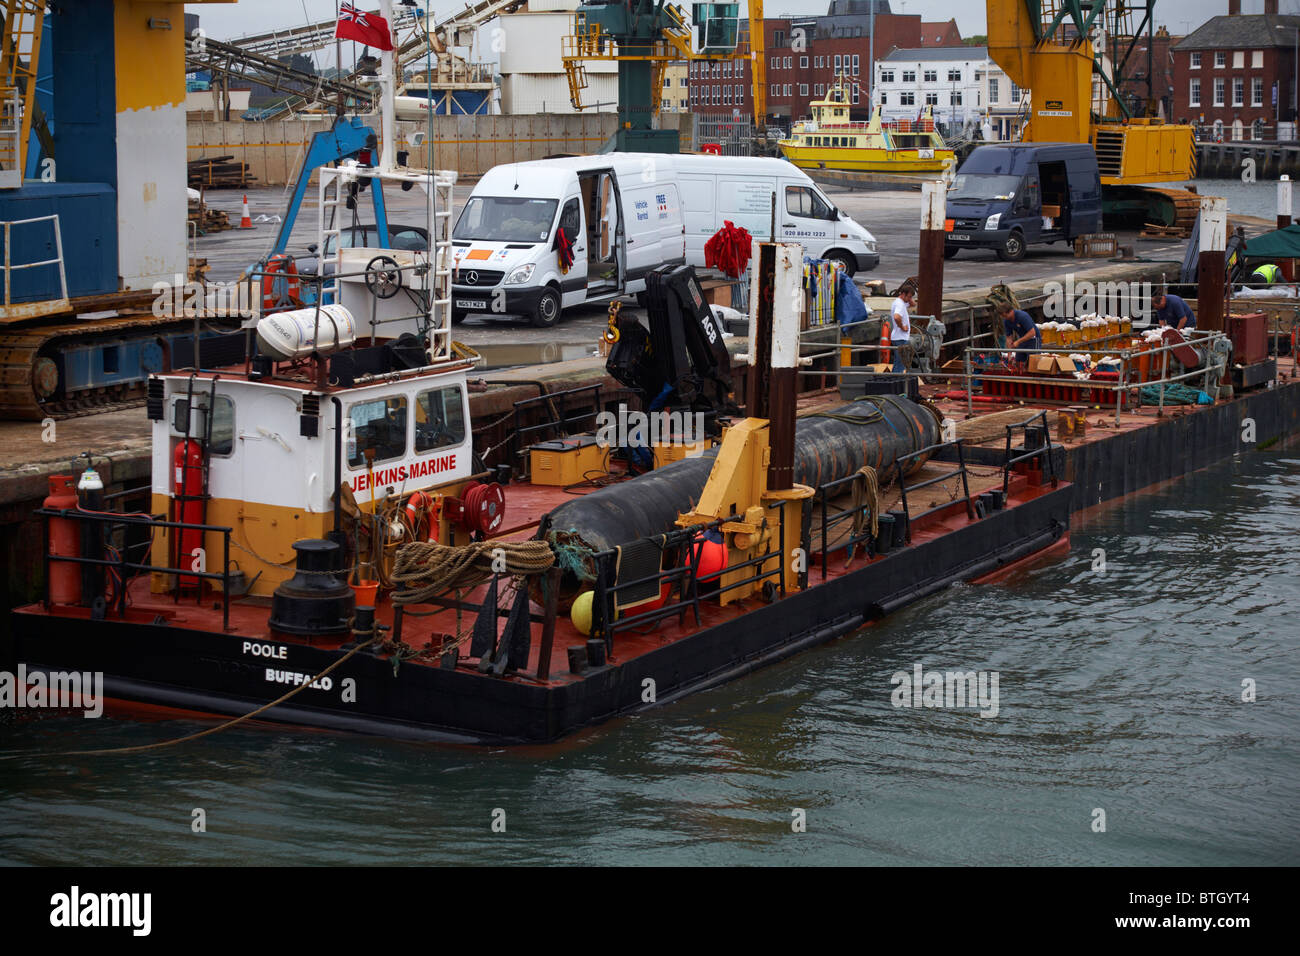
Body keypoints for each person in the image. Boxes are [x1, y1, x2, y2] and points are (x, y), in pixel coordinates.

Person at [997, 301, 1040, 365]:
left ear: (1011, 311)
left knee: (1033, 362)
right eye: (1003, 316)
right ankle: (1021, 373)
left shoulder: (1022, 316)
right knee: (1019, 360)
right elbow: (1009, 337)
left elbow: (1032, 333)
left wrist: (1018, 342)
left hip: (1033, 339)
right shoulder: (1006, 321)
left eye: (1005, 316)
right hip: (1022, 339)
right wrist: (1009, 354)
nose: (1004, 318)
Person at [890, 285, 915, 374]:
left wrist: (909, 298)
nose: (910, 299)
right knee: (900, 364)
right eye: (909, 297)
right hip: (900, 338)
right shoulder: (900, 304)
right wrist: (902, 327)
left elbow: (913, 304)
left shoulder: (899, 302)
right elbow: (896, 317)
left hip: (899, 337)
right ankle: (896, 382)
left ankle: (894, 381)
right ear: (903, 294)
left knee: (899, 362)